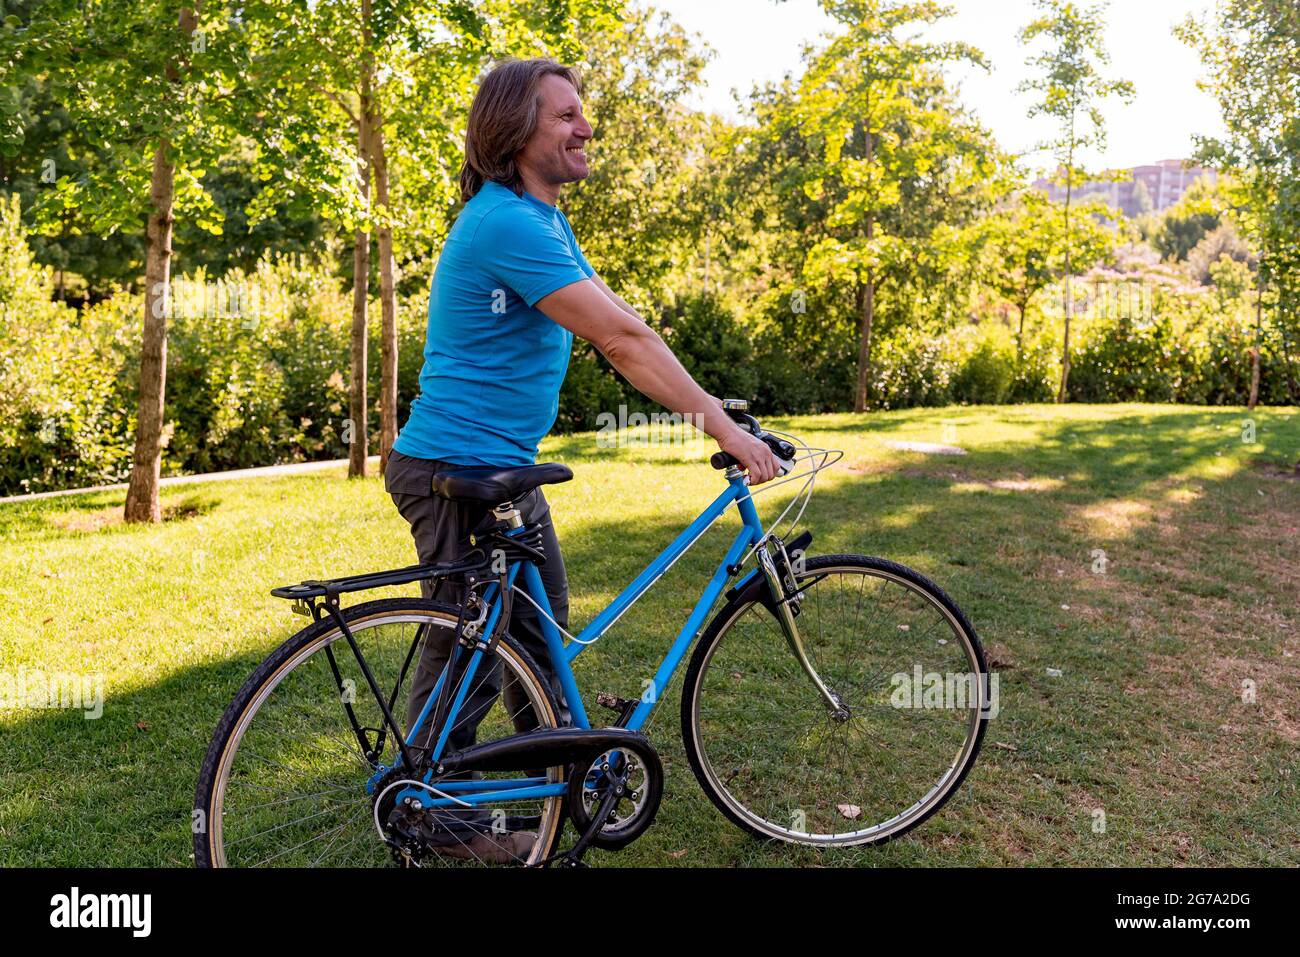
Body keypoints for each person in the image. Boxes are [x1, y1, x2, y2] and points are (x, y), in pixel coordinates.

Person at [385, 56, 781, 862]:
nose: (584, 126)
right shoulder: (504, 223)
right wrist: (721, 428)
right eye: (564, 115)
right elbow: (620, 339)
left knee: (534, 643)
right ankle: (430, 807)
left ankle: (569, 791)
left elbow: (622, 322)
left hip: (503, 472)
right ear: (513, 132)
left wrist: (715, 404)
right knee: (474, 644)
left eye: (580, 112)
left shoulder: (540, 220)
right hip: (455, 471)